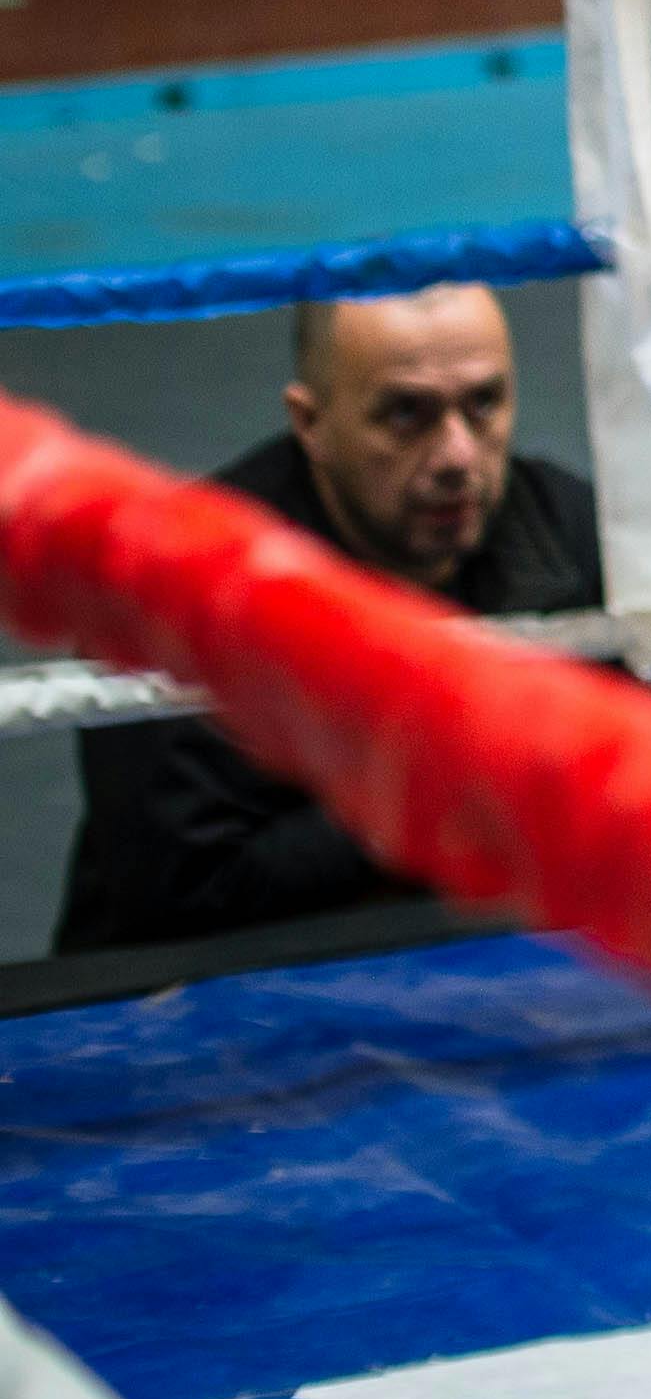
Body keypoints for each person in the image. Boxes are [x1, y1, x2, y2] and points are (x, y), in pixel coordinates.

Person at [56, 290, 613, 954]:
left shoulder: (571, 535)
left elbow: (650, 794)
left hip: (502, 969)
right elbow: (182, 893)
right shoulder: (181, 587)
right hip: (221, 992)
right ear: (311, 423)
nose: (457, 455)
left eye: (484, 404)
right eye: (406, 414)